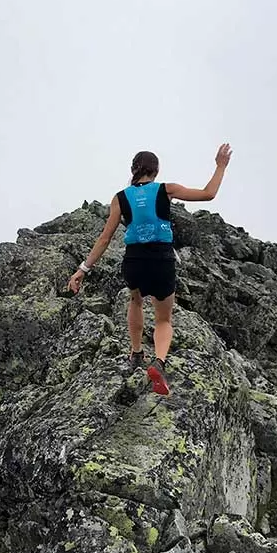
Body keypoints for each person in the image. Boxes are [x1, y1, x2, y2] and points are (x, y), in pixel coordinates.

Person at [68, 143, 233, 395]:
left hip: (134, 260)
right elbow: (208, 194)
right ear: (155, 171)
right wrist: (220, 166)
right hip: (161, 259)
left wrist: (83, 269)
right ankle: (158, 362)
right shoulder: (166, 190)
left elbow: (104, 238)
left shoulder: (120, 198)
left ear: (133, 169)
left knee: (135, 301)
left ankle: (135, 354)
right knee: (164, 317)